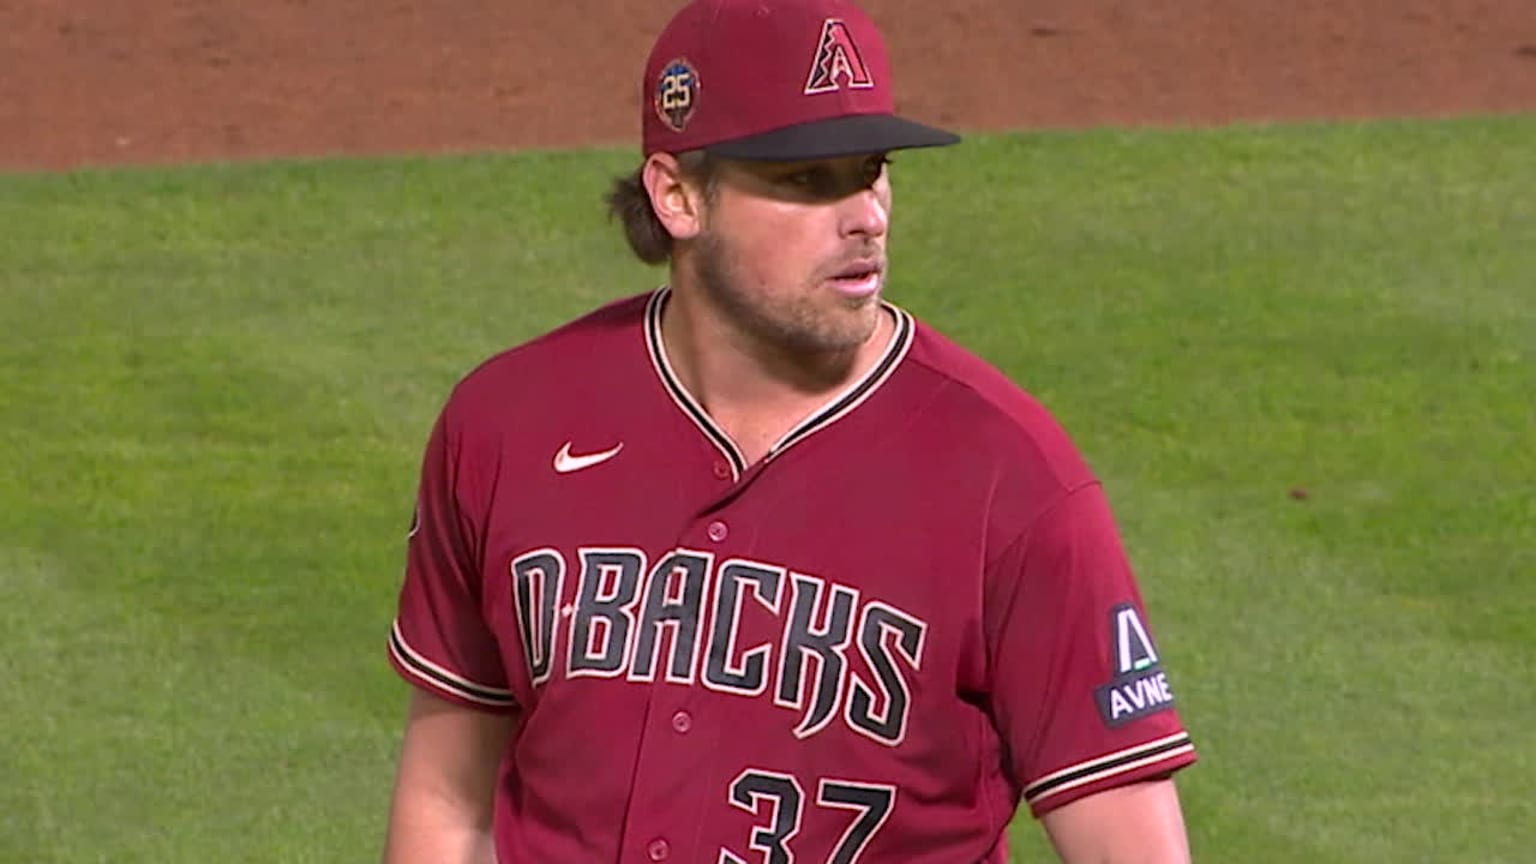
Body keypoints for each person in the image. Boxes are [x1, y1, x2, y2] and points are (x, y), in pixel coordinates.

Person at [380, 0, 1198, 861]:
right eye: (807, 181)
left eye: (871, 170)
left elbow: (1130, 846)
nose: (866, 217)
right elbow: (446, 803)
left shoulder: (1009, 478)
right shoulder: (511, 423)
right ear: (678, 195)